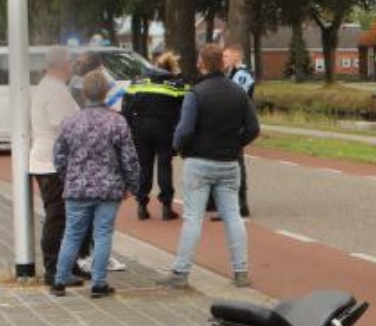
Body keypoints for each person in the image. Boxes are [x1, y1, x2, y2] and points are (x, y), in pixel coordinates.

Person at [167, 44, 260, 288]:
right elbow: (253, 129)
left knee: (193, 218)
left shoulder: (195, 94)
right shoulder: (238, 93)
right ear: (222, 63)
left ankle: (181, 272)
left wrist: (178, 148)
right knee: (233, 216)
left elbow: (184, 130)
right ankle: (240, 272)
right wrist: (235, 144)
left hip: (198, 162)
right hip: (229, 163)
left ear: (201, 64)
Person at [50, 70, 141, 297]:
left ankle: (59, 280)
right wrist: (132, 184)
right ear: (105, 93)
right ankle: (99, 283)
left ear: (83, 93)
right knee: (102, 234)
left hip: (76, 188)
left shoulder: (70, 121)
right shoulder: (117, 121)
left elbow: (59, 156)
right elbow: (129, 158)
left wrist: (67, 177)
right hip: (109, 188)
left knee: (72, 233)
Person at [28, 47, 85, 283]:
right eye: (71, 61)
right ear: (61, 63)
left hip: (50, 160)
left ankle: (67, 264)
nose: (73, 66)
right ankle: (54, 269)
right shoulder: (56, 90)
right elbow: (64, 125)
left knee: (64, 216)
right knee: (57, 216)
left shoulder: (51, 87)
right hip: (52, 162)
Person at [120, 50, 186, 220]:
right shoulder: (176, 83)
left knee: (144, 166)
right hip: (165, 129)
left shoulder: (138, 80)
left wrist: (129, 127)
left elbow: (126, 107)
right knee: (164, 166)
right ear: (171, 68)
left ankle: (142, 205)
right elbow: (183, 110)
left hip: (140, 129)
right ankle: (166, 207)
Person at [222, 45, 256, 218]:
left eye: (227, 56)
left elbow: (235, 99)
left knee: (236, 165)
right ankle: (234, 204)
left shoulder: (241, 75)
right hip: (233, 124)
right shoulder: (231, 74)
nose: (224, 58)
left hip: (237, 125)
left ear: (236, 57)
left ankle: (241, 204)